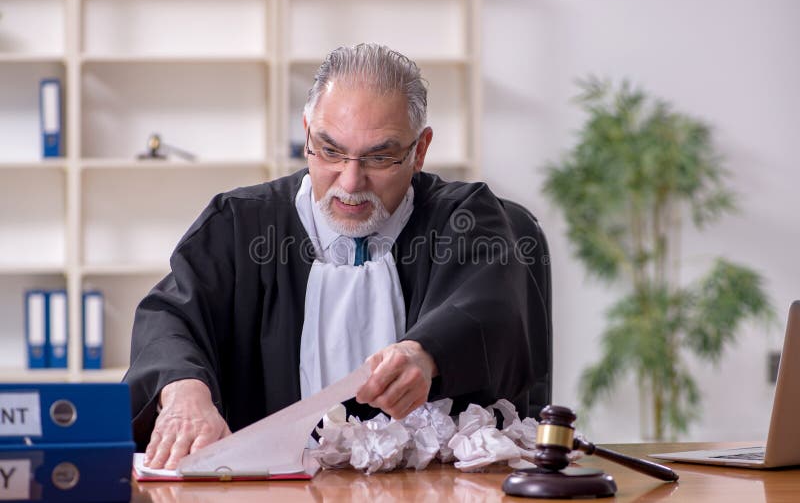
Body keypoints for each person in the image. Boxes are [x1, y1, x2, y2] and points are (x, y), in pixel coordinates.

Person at [124, 43, 542, 470]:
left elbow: (497, 308)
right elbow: (169, 319)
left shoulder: (465, 218)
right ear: (307, 132)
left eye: (379, 157)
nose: (351, 182)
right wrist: (183, 392)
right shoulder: (238, 223)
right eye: (330, 151)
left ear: (419, 150)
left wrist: (427, 354)